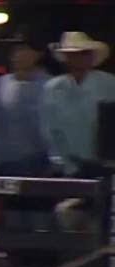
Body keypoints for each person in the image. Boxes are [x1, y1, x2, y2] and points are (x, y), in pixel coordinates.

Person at [41, 31, 115, 178]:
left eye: (83, 53)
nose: (78, 58)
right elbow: (49, 130)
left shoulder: (110, 83)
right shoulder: (53, 87)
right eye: (72, 54)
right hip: (67, 166)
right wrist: (65, 165)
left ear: (91, 56)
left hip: (105, 164)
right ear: (66, 58)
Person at [0, 29, 52, 176]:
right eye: (15, 50)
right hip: (4, 162)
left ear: (38, 54)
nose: (17, 55)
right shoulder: (2, 83)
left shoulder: (50, 85)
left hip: (38, 162)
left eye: (24, 50)